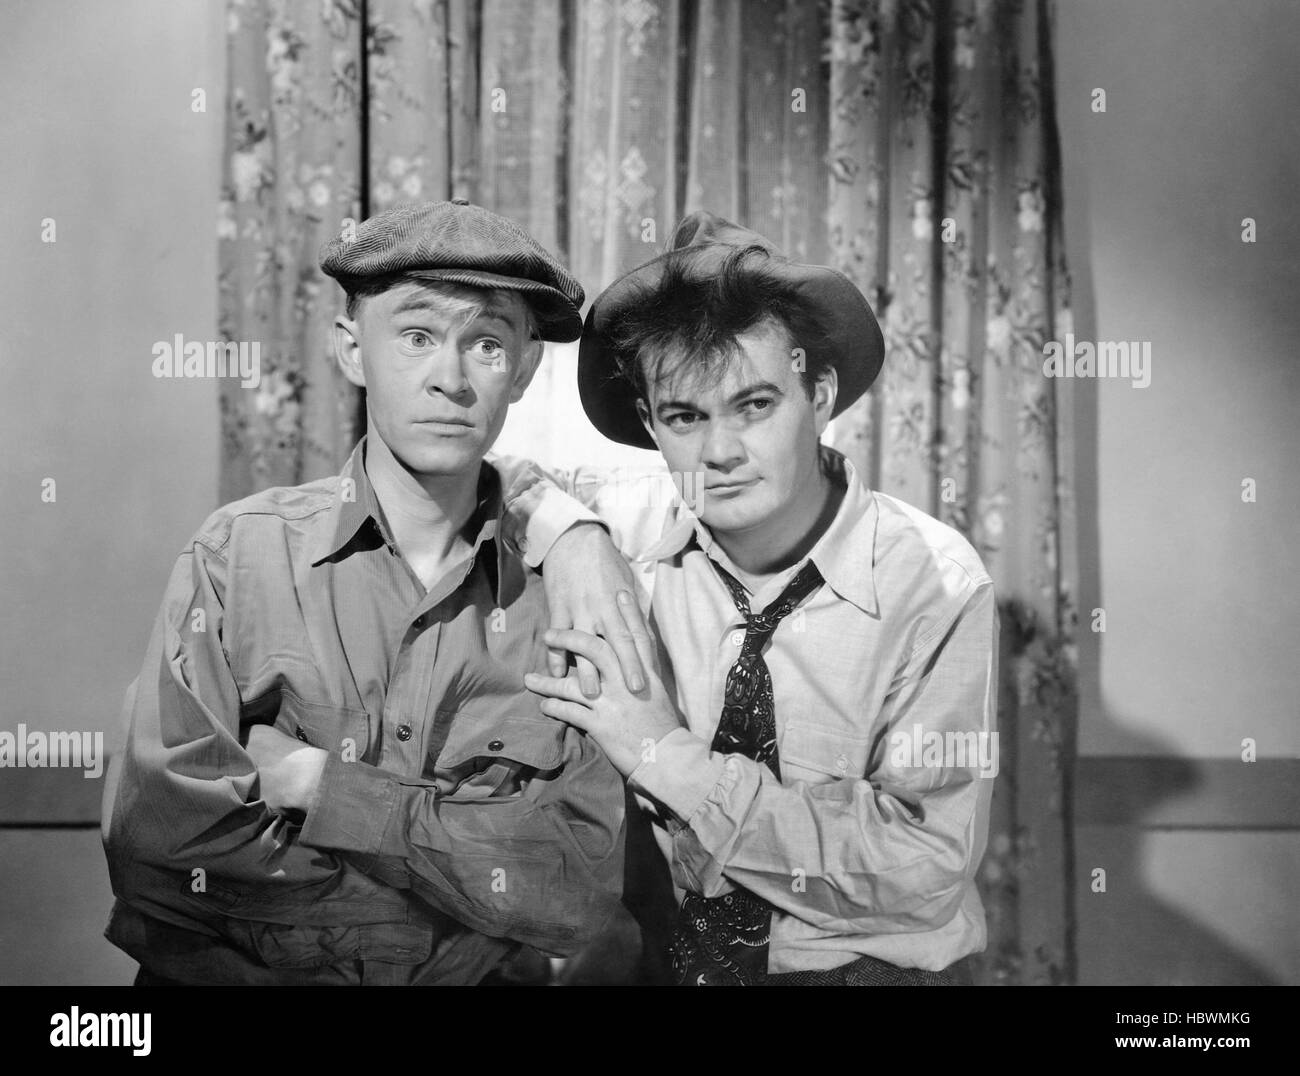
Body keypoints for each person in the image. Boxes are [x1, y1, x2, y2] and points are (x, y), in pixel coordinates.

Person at [101, 199, 650, 985]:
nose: (450, 380)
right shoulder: (239, 556)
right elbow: (161, 852)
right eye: (417, 337)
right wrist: (456, 893)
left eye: (488, 344)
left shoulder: (571, 600)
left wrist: (321, 787)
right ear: (352, 349)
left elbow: (575, 893)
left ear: (526, 369)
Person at [518, 212, 1000, 985]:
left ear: (821, 394)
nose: (719, 452)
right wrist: (574, 540)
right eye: (685, 416)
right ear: (650, 423)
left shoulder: (935, 583)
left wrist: (667, 759)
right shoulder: (628, 528)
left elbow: (921, 872)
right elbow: (496, 483)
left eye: (754, 405)